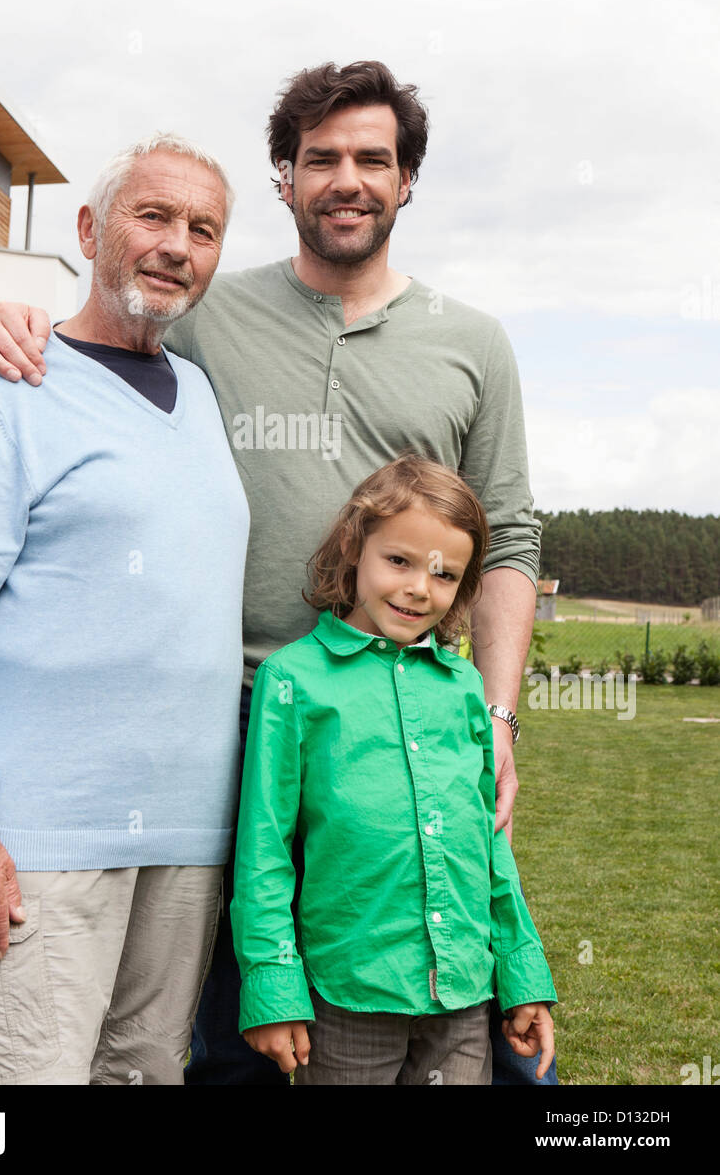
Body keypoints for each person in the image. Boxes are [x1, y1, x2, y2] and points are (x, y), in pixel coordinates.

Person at [0, 60, 553, 1084]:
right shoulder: (204, 314)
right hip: (234, 720)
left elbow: (506, 541)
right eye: (318, 159)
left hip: (401, 725)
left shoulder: (472, 345)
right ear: (285, 180)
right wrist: (11, 320)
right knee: (243, 1022)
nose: (346, 178)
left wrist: (493, 719)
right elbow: (101, 335)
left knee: (452, 992)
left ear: (407, 180)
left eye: (373, 158)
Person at [0, 135, 250, 1085]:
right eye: (154, 215)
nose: (177, 244)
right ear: (91, 230)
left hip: (184, 853)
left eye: (203, 229)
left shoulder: (204, 396)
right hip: (32, 848)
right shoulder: (8, 384)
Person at [233, 455, 556, 1085]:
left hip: (463, 996)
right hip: (348, 994)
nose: (417, 588)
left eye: (443, 574)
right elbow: (264, 850)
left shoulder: (466, 686)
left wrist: (521, 975)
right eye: (399, 561)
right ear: (356, 547)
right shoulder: (292, 680)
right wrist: (274, 986)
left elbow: (488, 846)